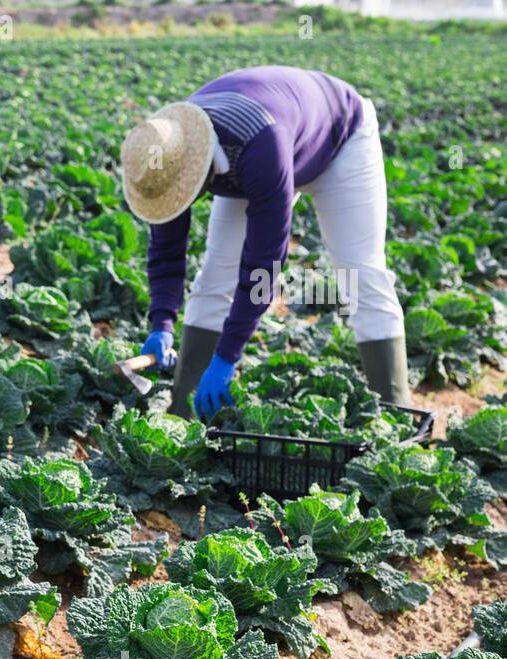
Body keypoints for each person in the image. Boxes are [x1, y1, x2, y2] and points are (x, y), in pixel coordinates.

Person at [119, 65, 410, 419]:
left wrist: (227, 356)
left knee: (360, 275)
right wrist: (161, 323)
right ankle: (185, 416)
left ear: (199, 166)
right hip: (266, 139)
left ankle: (397, 418)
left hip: (339, 137)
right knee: (215, 274)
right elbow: (166, 250)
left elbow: (264, 266)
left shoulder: (258, 149)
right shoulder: (167, 155)